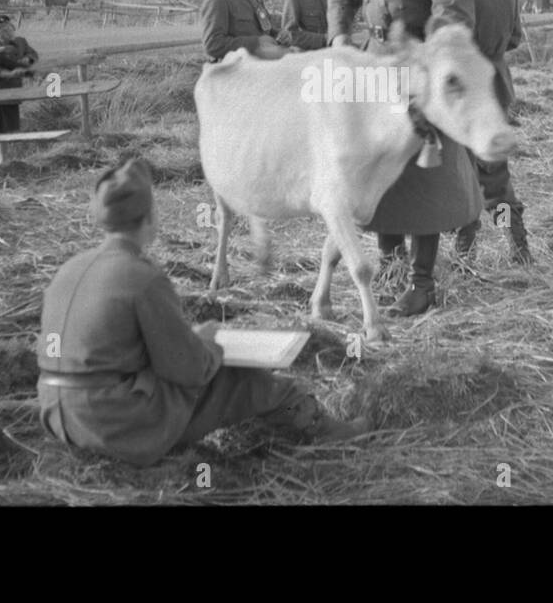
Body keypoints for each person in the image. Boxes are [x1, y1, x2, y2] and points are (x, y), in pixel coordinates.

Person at [37, 158, 370, 467]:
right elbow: (189, 371)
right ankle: (319, 428)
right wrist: (208, 343)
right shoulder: (143, 279)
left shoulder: (69, 270)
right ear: (150, 216)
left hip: (57, 414)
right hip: (114, 424)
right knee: (240, 380)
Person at [328, 0, 482, 318]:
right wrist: (339, 36)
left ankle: (422, 283)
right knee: (379, 172)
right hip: (375, 73)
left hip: (419, 76)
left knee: (422, 179)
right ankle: (390, 265)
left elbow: (453, 20)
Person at [434, 0, 533, 265]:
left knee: (463, 176)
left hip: (465, 96)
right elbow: (515, 40)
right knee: (495, 177)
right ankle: (517, 244)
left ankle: (466, 253)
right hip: (498, 89)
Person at [0, 15, 38, 167]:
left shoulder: (20, 42)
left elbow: (32, 54)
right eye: (2, 29)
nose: (7, 32)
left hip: (13, 89)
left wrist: (28, 61)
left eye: (9, 28)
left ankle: (3, 163)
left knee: (5, 129)